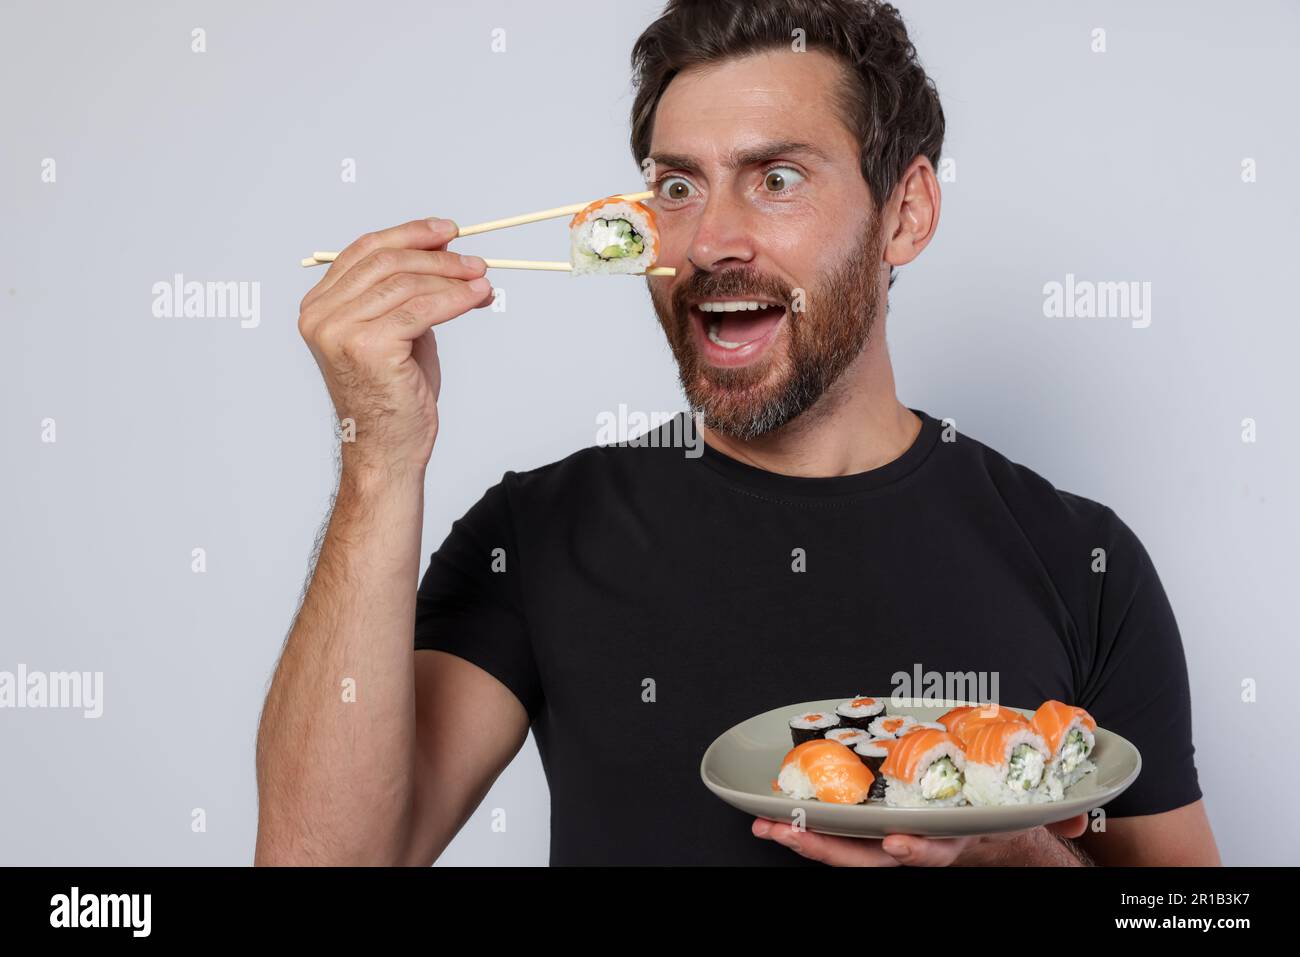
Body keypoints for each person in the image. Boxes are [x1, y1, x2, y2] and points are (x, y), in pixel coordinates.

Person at [255, 0, 1219, 866]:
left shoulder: (1081, 558)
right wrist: (377, 460)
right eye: (677, 187)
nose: (710, 240)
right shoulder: (535, 531)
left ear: (907, 213)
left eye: (776, 178)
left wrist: (1019, 862)